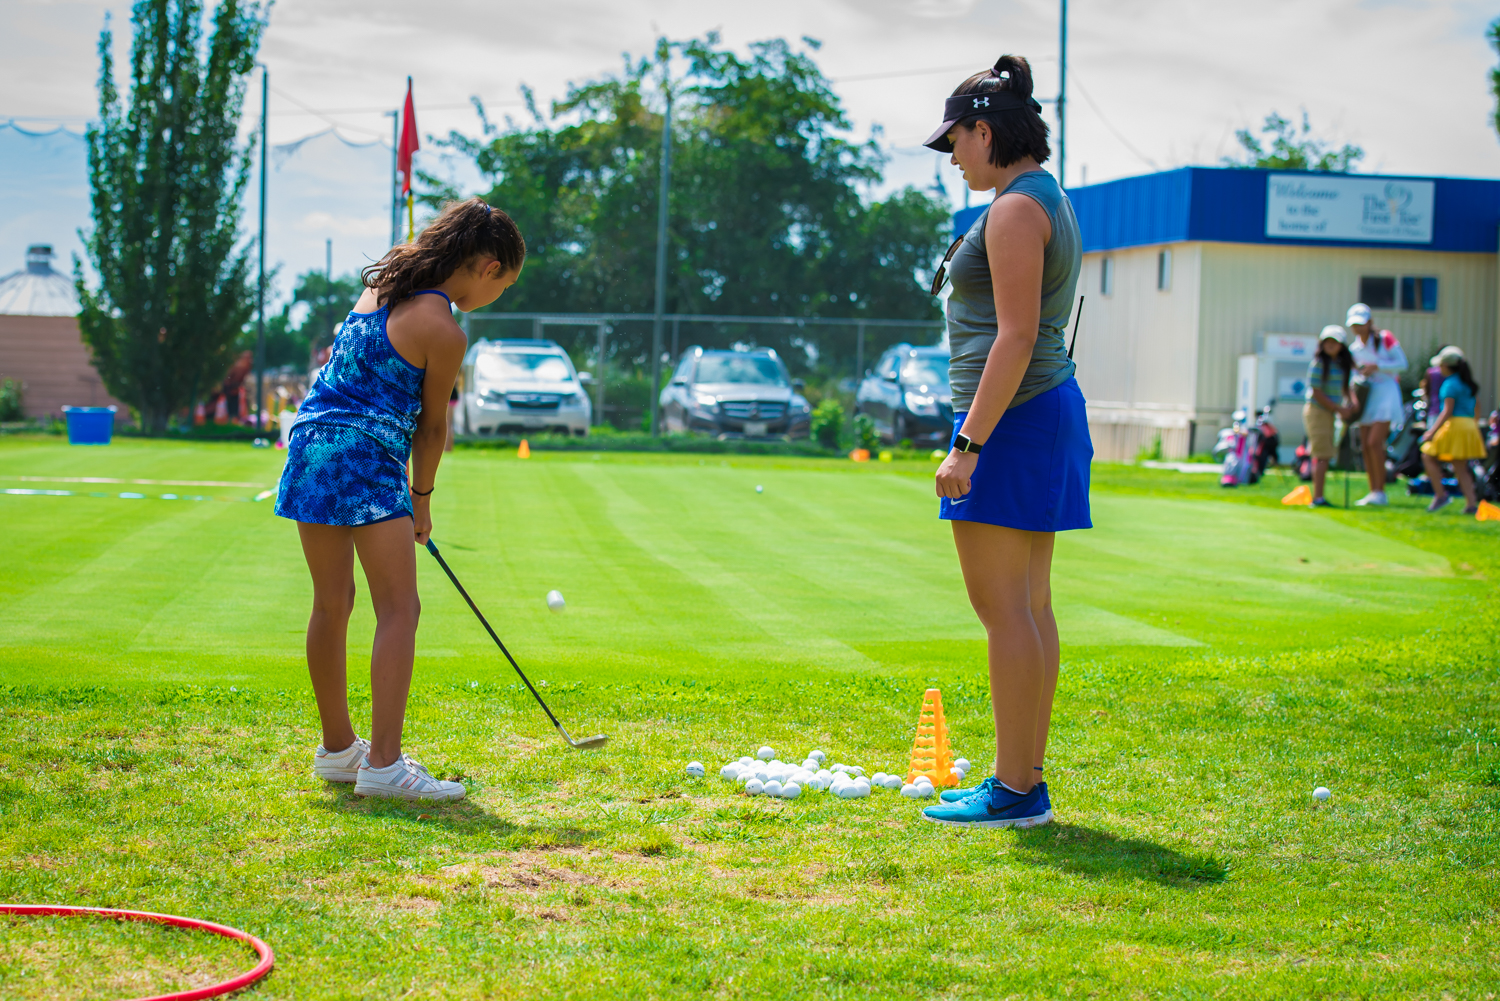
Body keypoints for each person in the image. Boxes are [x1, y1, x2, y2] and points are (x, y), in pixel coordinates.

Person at [274, 198, 525, 801]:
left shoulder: (384, 281)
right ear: (488, 267)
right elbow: (431, 428)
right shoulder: (446, 331)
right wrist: (422, 498)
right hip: (366, 457)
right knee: (399, 609)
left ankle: (339, 751)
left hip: (309, 443)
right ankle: (383, 767)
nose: (499, 294)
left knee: (331, 604)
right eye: (505, 284)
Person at [916, 55, 1091, 830]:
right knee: (1029, 605)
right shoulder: (1040, 196)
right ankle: (1021, 778)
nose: (953, 158)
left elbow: (1014, 337)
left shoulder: (1017, 209)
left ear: (986, 130)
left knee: (1003, 608)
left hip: (1015, 419)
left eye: (956, 141)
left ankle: (1016, 790)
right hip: (1042, 410)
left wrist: (968, 445)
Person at [1345, 302, 1407, 506]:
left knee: (1374, 442)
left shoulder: (1385, 339)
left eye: (1361, 324)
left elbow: (1402, 364)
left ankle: (1381, 490)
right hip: (1366, 397)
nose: (1357, 328)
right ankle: (1373, 491)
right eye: (1354, 324)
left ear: (1370, 322)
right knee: (1365, 445)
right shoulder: (1354, 348)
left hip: (1386, 394)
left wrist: (1377, 366)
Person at [1419, 345, 1486, 515]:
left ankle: (1441, 495)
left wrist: (1431, 432)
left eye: (1440, 365)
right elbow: (1477, 407)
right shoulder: (1468, 383)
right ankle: (1471, 504)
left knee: (1427, 455)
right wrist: (1474, 424)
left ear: (1447, 366)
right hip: (1469, 425)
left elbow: (1446, 411)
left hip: (1455, 425)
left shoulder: (1449, 384)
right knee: (1460, 466)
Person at [1303, 325, 1354, 507]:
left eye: (1335, 342)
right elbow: (1316, 392)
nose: (1331, 345)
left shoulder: (1341, 364)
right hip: (1318, 411)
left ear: (1341, 345)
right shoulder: (1318, 363)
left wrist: (1351, 403)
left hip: (1330, 412)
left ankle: (1318, 497)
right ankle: (1317, 498)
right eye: (1327, 342)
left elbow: (1347, 388)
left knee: (1325, 454)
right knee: (1322, 455)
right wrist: (1338, 409)